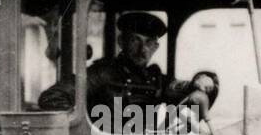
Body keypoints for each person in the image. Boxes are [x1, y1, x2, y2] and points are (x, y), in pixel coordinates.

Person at [37, 11, 218, 121]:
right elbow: (52, 98)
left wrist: (199, 80)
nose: (142, 50)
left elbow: (178, 88)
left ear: (156, 47)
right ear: (121, 41)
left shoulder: (154, 78)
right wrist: (84, 127)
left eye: (149, 43)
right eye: (135, 40)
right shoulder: (102, 74)